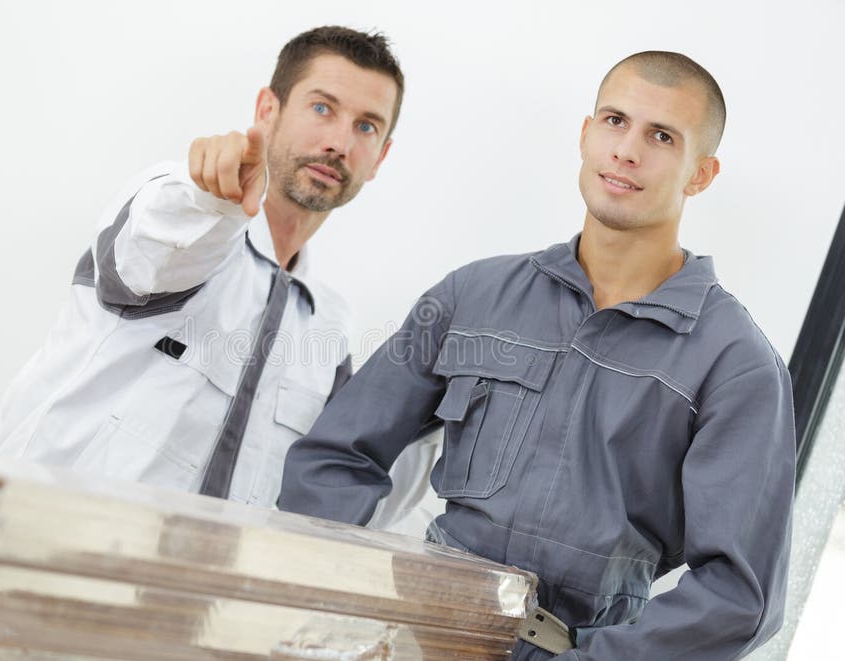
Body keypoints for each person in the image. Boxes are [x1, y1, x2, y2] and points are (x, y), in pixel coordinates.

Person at [279, 51, 795, 659]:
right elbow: (336, 454)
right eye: (614, 121)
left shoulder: (737, 365)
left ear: (701, 173)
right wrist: (333, 599)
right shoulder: (471, 295)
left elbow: (740, 599)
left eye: (661, 136)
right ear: (585, 133)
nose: (626, 151)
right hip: (412, 636)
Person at [0, 26, 404, 507]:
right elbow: (159, 242)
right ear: (268, 111)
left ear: (380, 158)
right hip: (42, 543)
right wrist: (209, 196)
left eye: (366, 126)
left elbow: (345, 486)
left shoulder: (329, 328)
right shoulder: (190, 218)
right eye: (321, 108)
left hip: (196, 579)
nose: (339, 142)